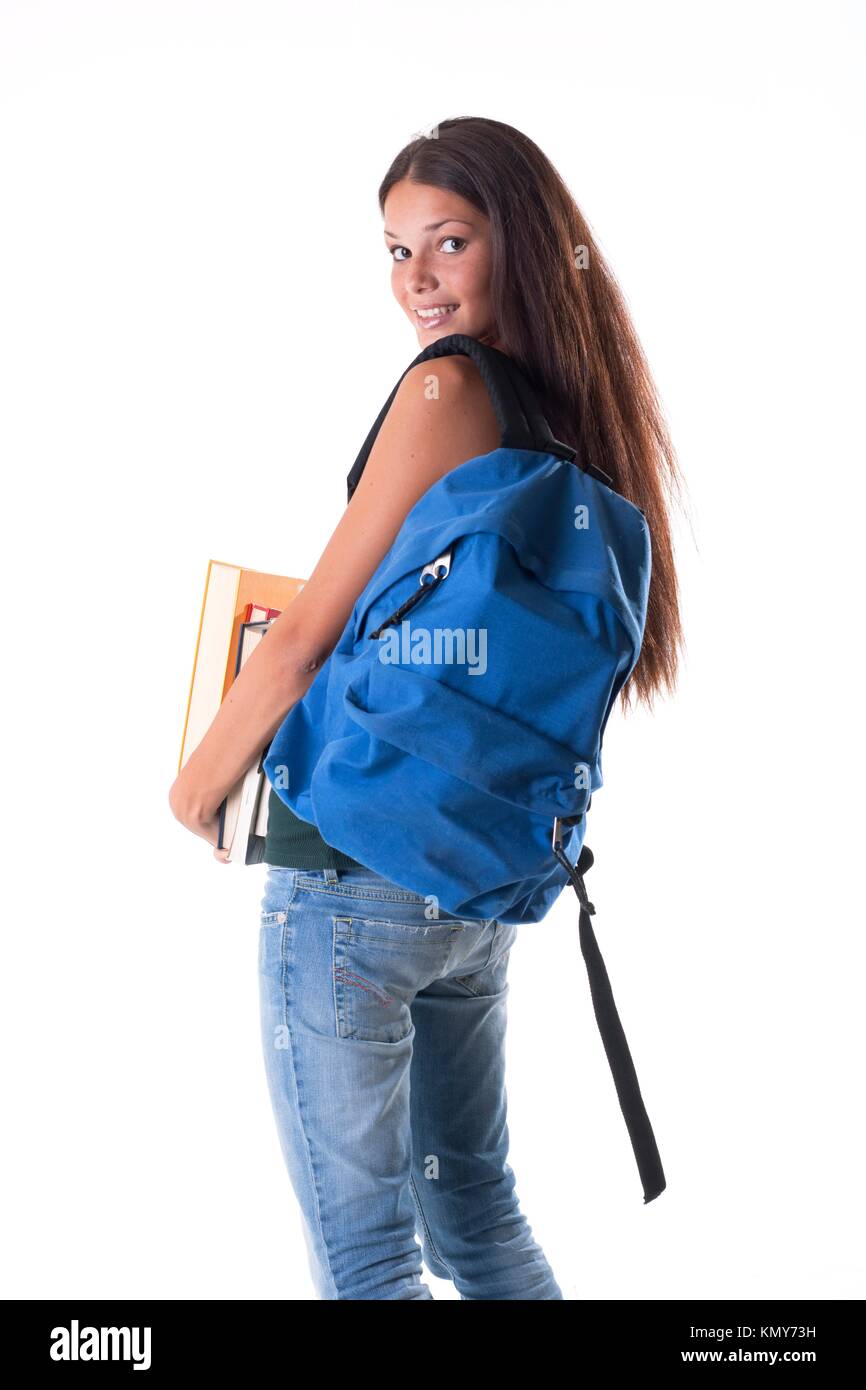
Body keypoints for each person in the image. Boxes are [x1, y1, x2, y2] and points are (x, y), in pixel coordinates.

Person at [170, 115, 685, 1299]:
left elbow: (305, 636)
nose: (416, 279)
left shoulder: (446, 388)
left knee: (366, 1257)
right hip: (472, 887)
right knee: (479, 1223)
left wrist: (195, 785)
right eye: (396, 250)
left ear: (523, 239)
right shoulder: (576, 411)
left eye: (449, 241)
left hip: (351, 877)